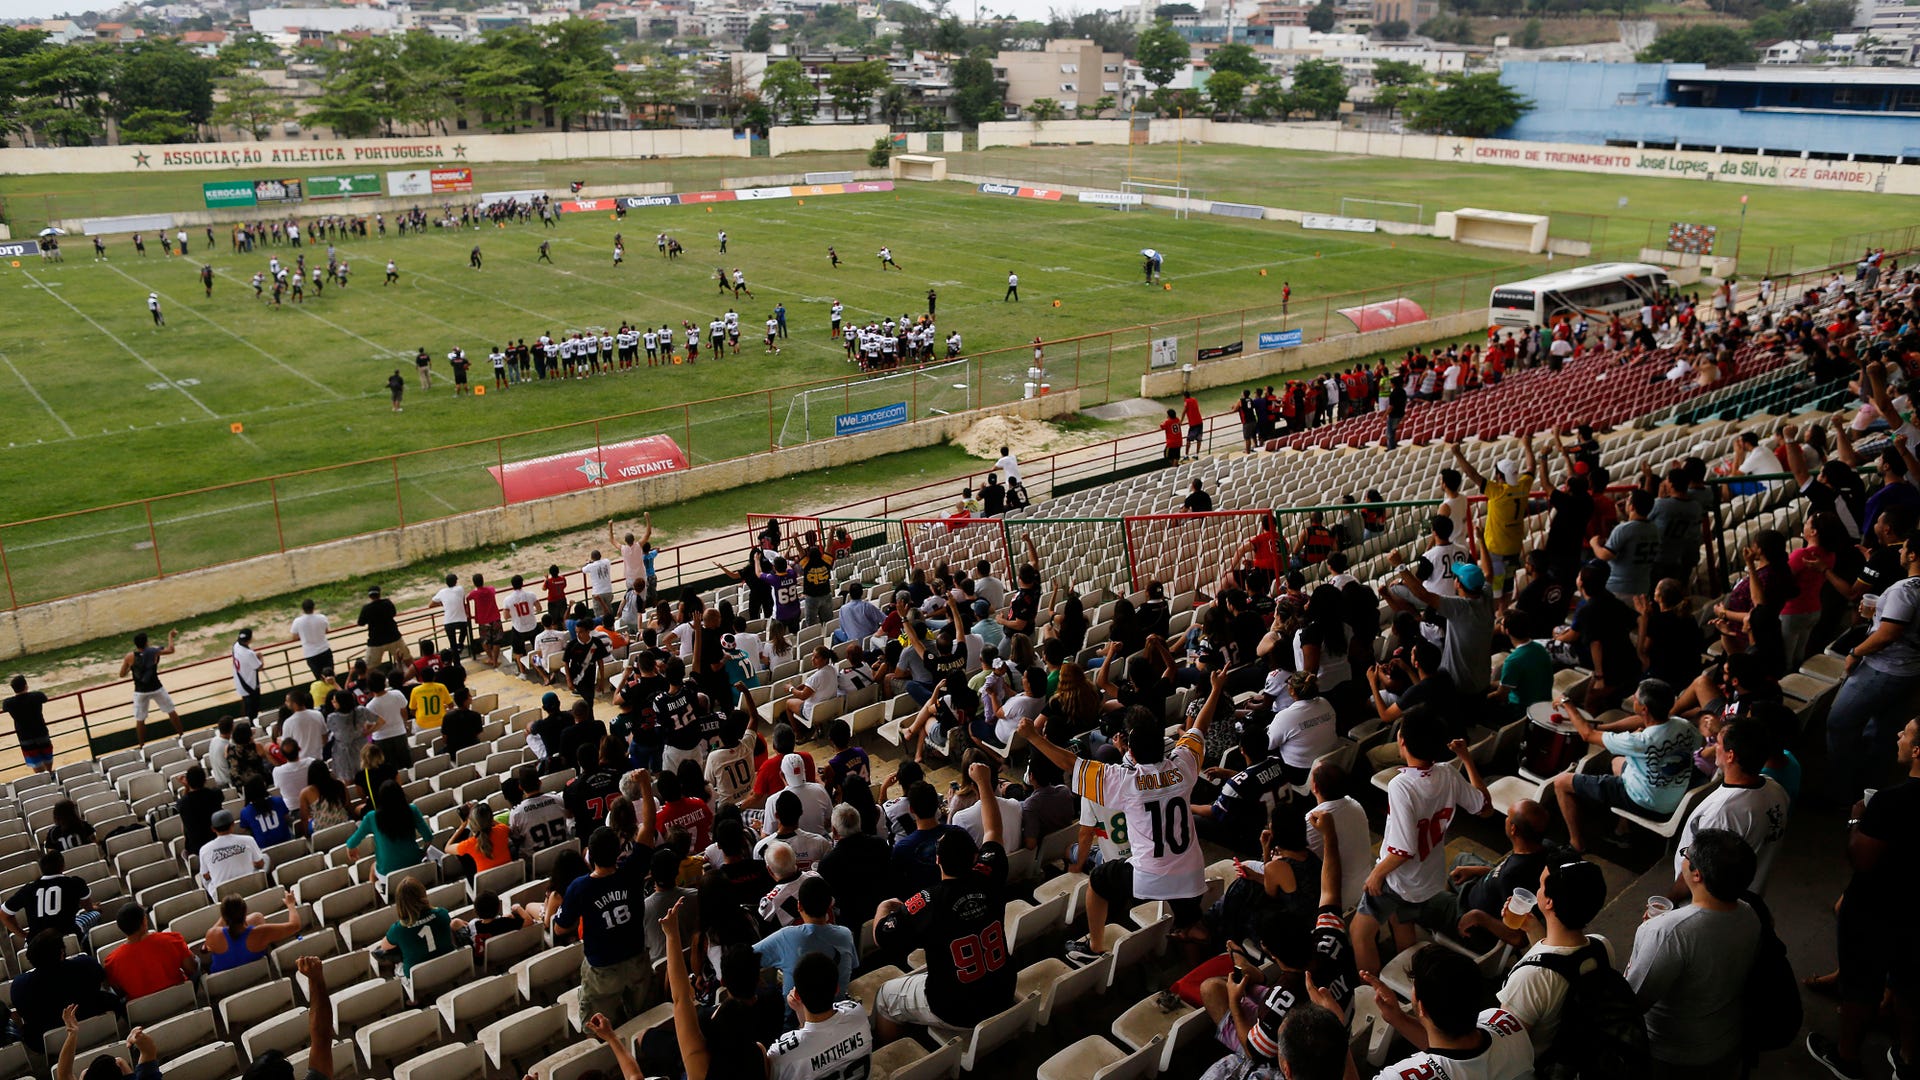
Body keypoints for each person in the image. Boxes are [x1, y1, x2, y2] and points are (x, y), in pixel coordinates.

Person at [1027, 669, 1223, 966]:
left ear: (1129, 747)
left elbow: (1070, 762)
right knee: (1189, 919)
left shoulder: (1124, 781)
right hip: (1191, 871)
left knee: (1098, 880)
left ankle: (1093, 947)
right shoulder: (1184, 766)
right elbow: (1200, 728)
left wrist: (1032, 736)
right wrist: (1216, 689)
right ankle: (1194, 953)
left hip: (1150, 876)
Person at [1808, 715, 1920, 1079]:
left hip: (1878, 909)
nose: (1899, 735)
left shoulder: (1891, 803)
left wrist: (1857, 819)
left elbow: (1862, 859)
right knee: (1908, 982)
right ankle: (1907, 1057)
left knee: (1861, 984)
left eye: (1906, 732)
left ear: (1917, 751)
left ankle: (1846, 1058)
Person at [872, 759, 1013, 1041]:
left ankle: (894, 1055)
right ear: (975, 858)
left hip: (956, 1009)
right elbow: (993, 832)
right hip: (1002, 990)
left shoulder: (928, 901)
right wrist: (984, 783)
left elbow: (882, 937)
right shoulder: (989, 873)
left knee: (884, 997)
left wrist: (883, 908)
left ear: (938, 861)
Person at [1350, 707, 1494, 978]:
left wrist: (1376, 874)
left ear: (1401, 741)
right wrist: (1466, 758)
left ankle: (1372, 990)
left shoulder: (1401, 786)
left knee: (1359, 933)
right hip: (1428, 877)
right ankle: (1412, 982)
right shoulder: (1448, 774)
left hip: (1398, 879)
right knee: (1403, 921)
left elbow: (1403, 849)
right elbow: (1484, 808)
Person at [1627, 827, 1760, 1078]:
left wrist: (1652, 933)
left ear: (1696, 875)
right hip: (1726, 1043)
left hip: (1673, 1055)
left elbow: (1632, 1001)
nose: (1684, 857)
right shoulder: (1750, 914)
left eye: (1687, 854)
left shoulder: (1667, 932)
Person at [1551, 680, 1700, 854]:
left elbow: (1587, 734)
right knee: (1617, 762)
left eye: (1635, 698)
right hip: (1673, 797)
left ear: (1644, 709)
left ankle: (1576, 843)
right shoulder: (1684, 726)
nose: (1632, 698)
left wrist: (1565, 703)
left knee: (1561, 782)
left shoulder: (1640, 741)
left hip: (1646, 802)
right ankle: (1622, 831)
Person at [1827, 533, 1920, 802]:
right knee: (1883, 729)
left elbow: (1889, 633)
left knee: (1840, 723)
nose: (1901, 552)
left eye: (1904, 548)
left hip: (1884, 669)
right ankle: (1871, 787)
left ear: (1913, 555)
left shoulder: (1905, 590)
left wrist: (1856, 652)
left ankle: (1841, 792)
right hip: (1909, 670)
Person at [1495, 857, 1611, 1061]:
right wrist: (1531, 927)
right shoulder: (1601, 946)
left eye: (1540, 885)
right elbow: (1559, 959)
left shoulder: (1530, 979)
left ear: (1549, 902)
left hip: (1540, 1067)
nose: (1537, 890)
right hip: (1582, 1056)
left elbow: (1506, 1048)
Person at [558, 803, 658, 1027]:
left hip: (603, 970)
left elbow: (560, 927)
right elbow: (649, 826)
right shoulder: (632, 872)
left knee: (599, 1027)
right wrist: (644, 786)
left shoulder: (579, 887)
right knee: (646, 1019)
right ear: (618, 852)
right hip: (637, 960)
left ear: (590, 855)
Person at [1367, 947, 1535, 1080]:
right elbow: (1454, 1053)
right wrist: (1398, 1018)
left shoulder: (1397, 1077)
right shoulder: (1508, 1024)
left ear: (1422, 1008)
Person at [1669, 718, 1789, 900]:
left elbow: (1698, 872)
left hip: (1705, 904)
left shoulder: (1722, 813)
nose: (1715, 747)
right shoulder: (1776, 790)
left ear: (1730, 755)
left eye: (1717, 743)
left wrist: (1670, 902)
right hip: (1748, 899)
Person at [766, 951, 872, 1080]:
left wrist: (800, 1010)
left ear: (798, 995)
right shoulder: (857, 1012)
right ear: (836, 989)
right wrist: (801, 1010)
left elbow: (810, 1036)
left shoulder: (781, 1055)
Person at [754, 874, 856, 1000]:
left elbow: (746, 957)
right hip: (837, 1010)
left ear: (799, 906)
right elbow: (852, 966)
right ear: (830, 904)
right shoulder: (846, 935)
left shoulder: (786, 936)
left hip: (795, 1016)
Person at [344, 780, 436, 898]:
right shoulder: (412, 810)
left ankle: (378, 901)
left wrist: (350, 848)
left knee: (373, 868)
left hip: (388, 875)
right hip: (415, 866)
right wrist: (422, 851)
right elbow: (428, 837)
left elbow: (352, 842)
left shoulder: (372, 817)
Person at [100, 903, 197, 1004]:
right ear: (144, 921)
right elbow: (191, 969)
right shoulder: (172, 939)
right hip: (180, 999)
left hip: (143, 1013)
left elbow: (119, 992)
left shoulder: (112, 962)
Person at [1, 850, 97, 942]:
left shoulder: (28, 889)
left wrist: (23, 934)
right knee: (96, 914)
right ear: (62, 866)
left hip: (38, 943)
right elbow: (88, 907)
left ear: (41, 869)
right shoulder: (75, 882)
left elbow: (4, 914)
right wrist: (93, 908)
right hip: (69, 937)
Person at [369, 877, 455, 979]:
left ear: (400, 903)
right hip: (450, 966)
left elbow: (384, 947)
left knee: (386, 955)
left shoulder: (398, 929)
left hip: (419, 979)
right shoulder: (442, 913)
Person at [206, 890, 302, 973]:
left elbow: (204, 948)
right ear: (245, 911)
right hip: (256, 976)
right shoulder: (261, 933)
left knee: (256, 917)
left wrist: (227, 913)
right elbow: (295, 925)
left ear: (223, 915)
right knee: (257, 917)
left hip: (224, 985)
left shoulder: (212, 934)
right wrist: (291, 905)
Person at [119, 630, 183, 743]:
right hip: (156, 688)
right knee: (171, 711)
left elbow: (122, 674)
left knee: (140, 719)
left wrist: (131, 667)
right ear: (146, 642)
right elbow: (171, 650)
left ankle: (142, 746)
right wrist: (170, 636)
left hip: (140, 691)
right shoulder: (153, 652)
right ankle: (182, 736)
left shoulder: (129, 657)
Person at [197, 809, 267, 899]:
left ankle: (214, 905)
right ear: (233, 824)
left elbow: (206, 876)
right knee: (265, 857)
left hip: (224, 897)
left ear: (213, 829)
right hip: (251, 886)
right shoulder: (248, 840)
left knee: (201, 876)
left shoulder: (204, 849)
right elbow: (260, 864)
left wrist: (217, 871)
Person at [4, 674, 54, 773]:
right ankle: (49, 773)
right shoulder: (36, 696)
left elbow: (5, 707)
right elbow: (44, 697)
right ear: (26, 686)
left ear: (14, 689)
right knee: (47, 755)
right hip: (41, 732)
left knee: (34, 760)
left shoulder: (8, 703)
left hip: (24, 736)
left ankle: (42, 778)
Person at [357, 586, 408, 670]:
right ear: (379, 594)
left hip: (376, 641)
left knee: (367, 668)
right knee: (407, 659)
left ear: (370, 596)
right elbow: (393, 613)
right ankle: (420, 678)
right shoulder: (387, 603)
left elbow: (361, 623)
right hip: (394, 637)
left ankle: (366, 682)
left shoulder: (366, 608)